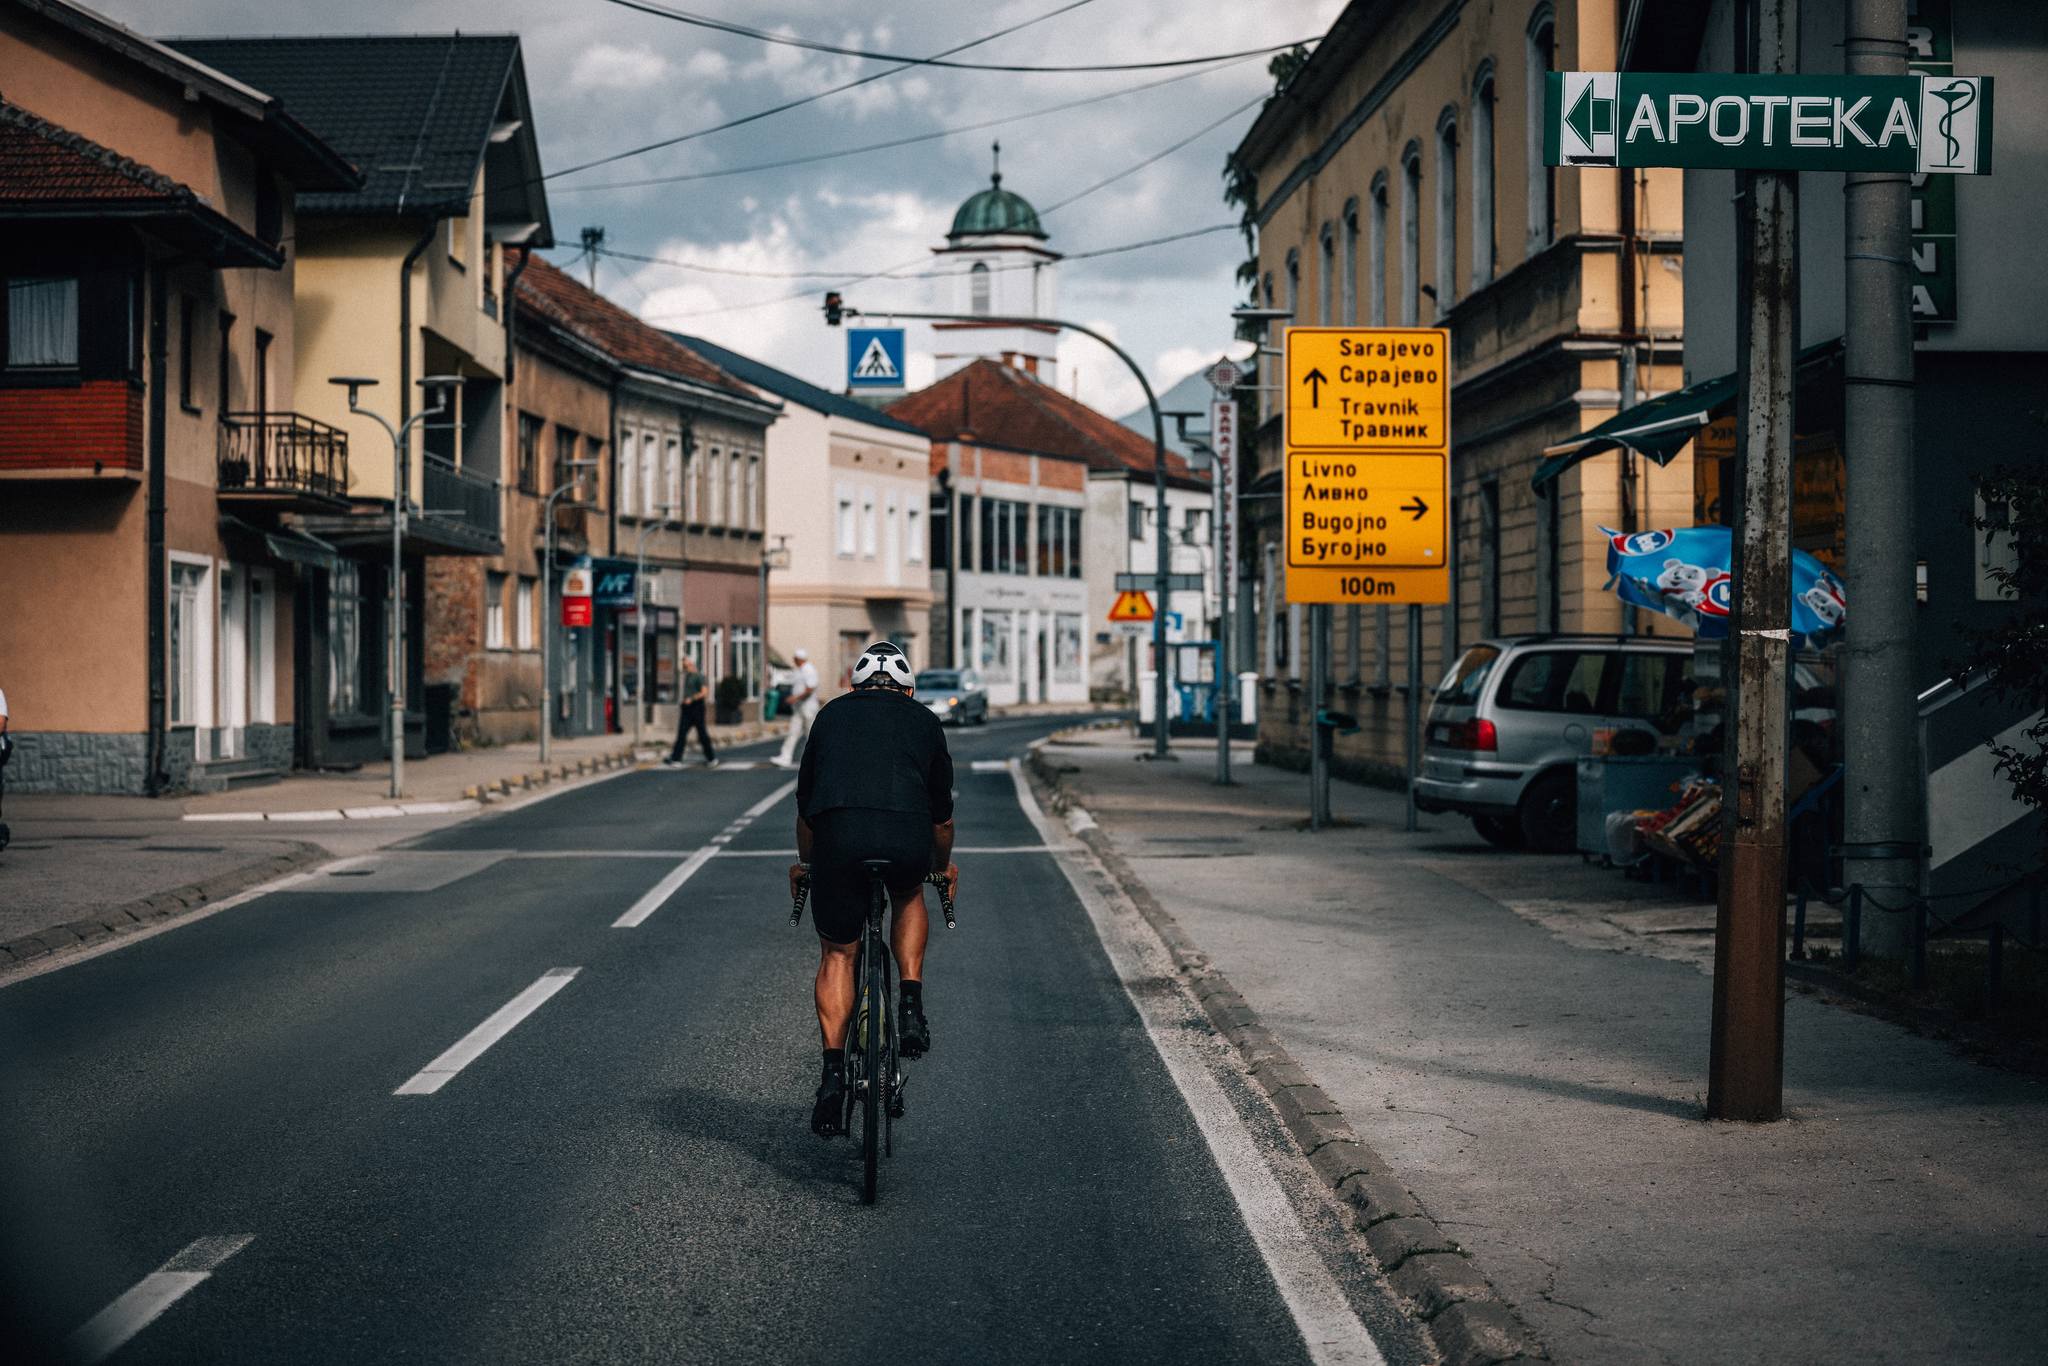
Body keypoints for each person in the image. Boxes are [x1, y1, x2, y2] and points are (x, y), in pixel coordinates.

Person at [789, 641, 957, 1137]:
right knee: (908, 895)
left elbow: (805, 810)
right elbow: (942, 819)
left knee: (839, 954)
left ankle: (833, 1076)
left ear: (853, 686)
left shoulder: (829, 717)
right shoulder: (924, 720)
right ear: (907, 688)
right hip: (906, 836)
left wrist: (806, 863)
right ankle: (909, 1003)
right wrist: (941, 868)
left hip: (837, 840)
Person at [663, 656, 717, 768]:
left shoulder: (699, 677)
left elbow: (704, 692)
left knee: (702, 735)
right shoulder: (687, 676)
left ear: (691, 663)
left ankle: (711, 758)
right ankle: (676, 758)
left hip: (696, 708)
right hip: (687, 709)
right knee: (681, 734)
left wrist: (691, 699)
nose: (683, 665)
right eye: (683, 664)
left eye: (685, 663)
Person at [771, 646, 821, 769]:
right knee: (793, 732)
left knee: (811, 734)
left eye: (795, 658)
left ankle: (819, 759)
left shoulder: (809, 670)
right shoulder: (798, 670)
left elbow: (810, 688)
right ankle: (785, 757)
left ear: (799, 659)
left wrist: (795, 698)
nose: (793, 660)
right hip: (799, 707)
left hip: (808, 707)